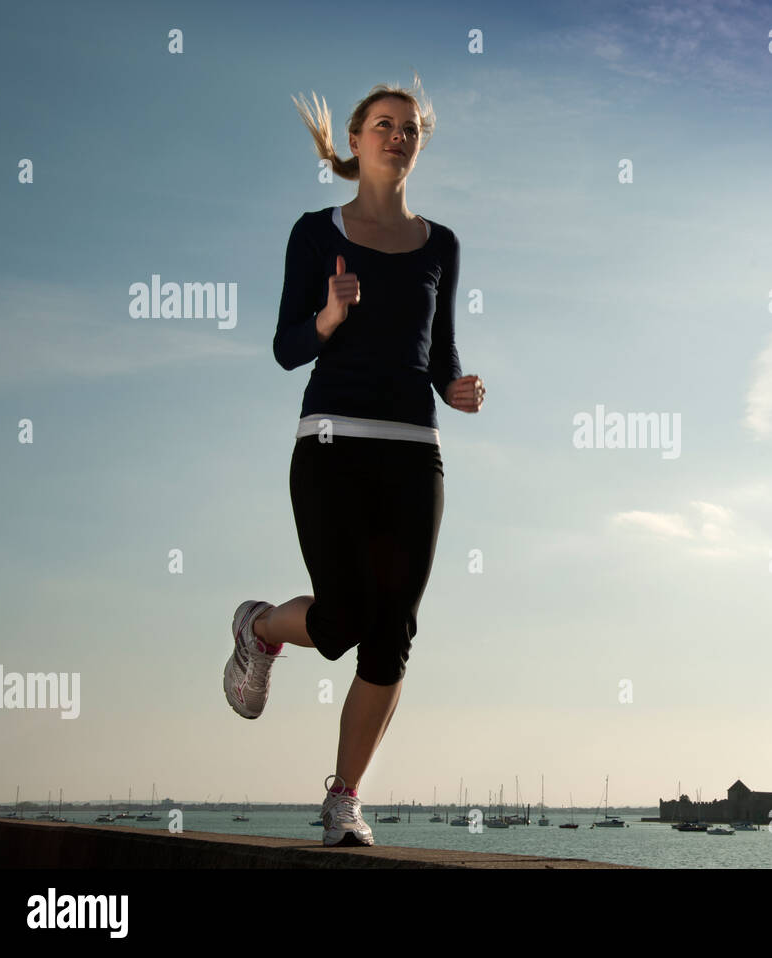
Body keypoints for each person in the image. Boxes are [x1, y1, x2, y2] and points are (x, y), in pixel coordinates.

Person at [222, 76, 485, 847]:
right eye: (382, 124)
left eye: (409, 128)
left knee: (393, 629)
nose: (397, 136)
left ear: (418, 144)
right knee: (340, 623)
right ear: (357, 141)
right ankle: (261, 626)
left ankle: (344, 800)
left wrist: (458, 387)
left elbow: (439, 356)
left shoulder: (442, 244)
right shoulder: (315, 233)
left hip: (414, 451)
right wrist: (329, 318)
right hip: (331, 443)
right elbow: (283, 348)